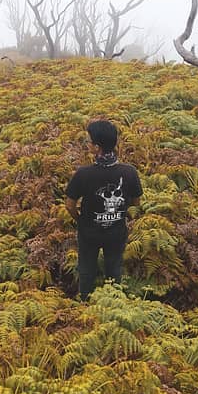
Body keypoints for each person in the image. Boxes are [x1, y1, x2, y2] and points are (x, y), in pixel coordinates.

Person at [65, 119, 142, 300]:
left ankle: (85, 303)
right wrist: (119, 213)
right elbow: (136, 202)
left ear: (97, 147)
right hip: (116, 231)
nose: (87, 144)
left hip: (89, 232)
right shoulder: (129, 172)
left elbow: (69, 205)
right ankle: (114, 303)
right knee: (114, 270)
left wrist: (80, 220)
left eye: (89, 141)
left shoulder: (83, 174)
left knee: (86, 270)